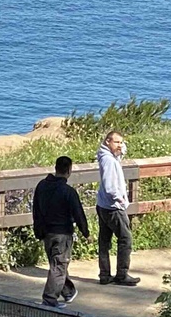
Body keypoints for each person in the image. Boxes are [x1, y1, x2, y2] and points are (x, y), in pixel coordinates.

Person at [32, 155, 90, 307]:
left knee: (57, 263)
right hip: (62, 233)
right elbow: (79, 214)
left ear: (55, 167)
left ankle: (68, 292)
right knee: (59, 265)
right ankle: (49, 299)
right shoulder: (68, 191)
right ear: (69, 170)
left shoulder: (41, 186)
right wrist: (86, 233)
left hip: (46, 233)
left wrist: (37, 230)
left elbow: (36, 210)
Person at [95, 130, 139, 285]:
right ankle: (122, 274)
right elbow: (109, 185)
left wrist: (120, 148)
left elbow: (120, 152)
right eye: (117, 142)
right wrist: (120, 200)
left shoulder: (106, 155)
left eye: (121, 142)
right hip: (113, 207)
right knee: (125, 239)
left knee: (104, 241)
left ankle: (105, 275)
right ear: (108, 141)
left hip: (103, 204)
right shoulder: (109, 161)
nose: (120, 145)